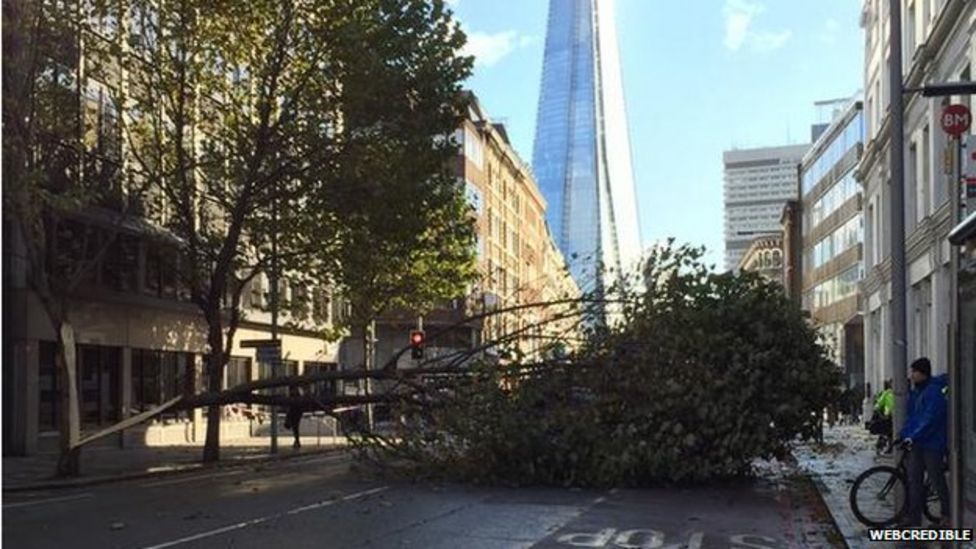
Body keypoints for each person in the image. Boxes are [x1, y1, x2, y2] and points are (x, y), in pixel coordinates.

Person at [898, 357, 949, 527]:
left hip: (932, 443)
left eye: (914, 372)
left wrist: (911, 436)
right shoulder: (916, 392)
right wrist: (904, 434)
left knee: (936, 480)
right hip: (918, 443)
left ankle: (946, 516)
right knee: (914, 481)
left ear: (923, 373)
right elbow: (912, 417)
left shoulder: (933, 392)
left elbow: (930, 419)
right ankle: (914, 518)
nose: (911, 375)